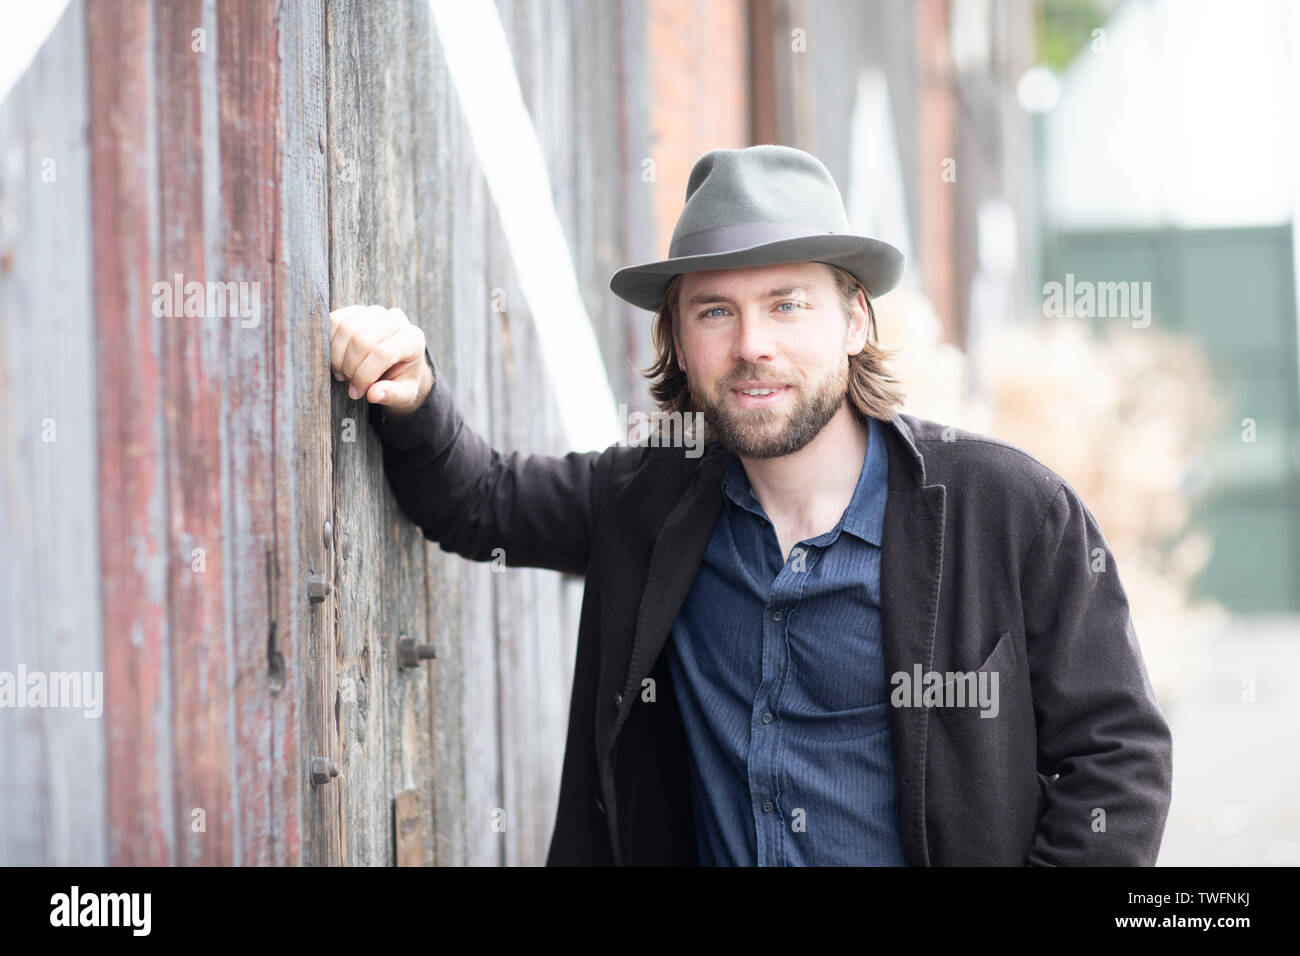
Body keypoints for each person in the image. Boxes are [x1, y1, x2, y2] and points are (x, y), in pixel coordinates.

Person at [327, 144, 1173, 866]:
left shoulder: (1008, 508)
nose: (752, 344)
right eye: (715, 311)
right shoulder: (646, 502)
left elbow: (1117, 755)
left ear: (852, 320)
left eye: (787, 303)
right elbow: (477, 501)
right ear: (679, 343)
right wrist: (412, 387)